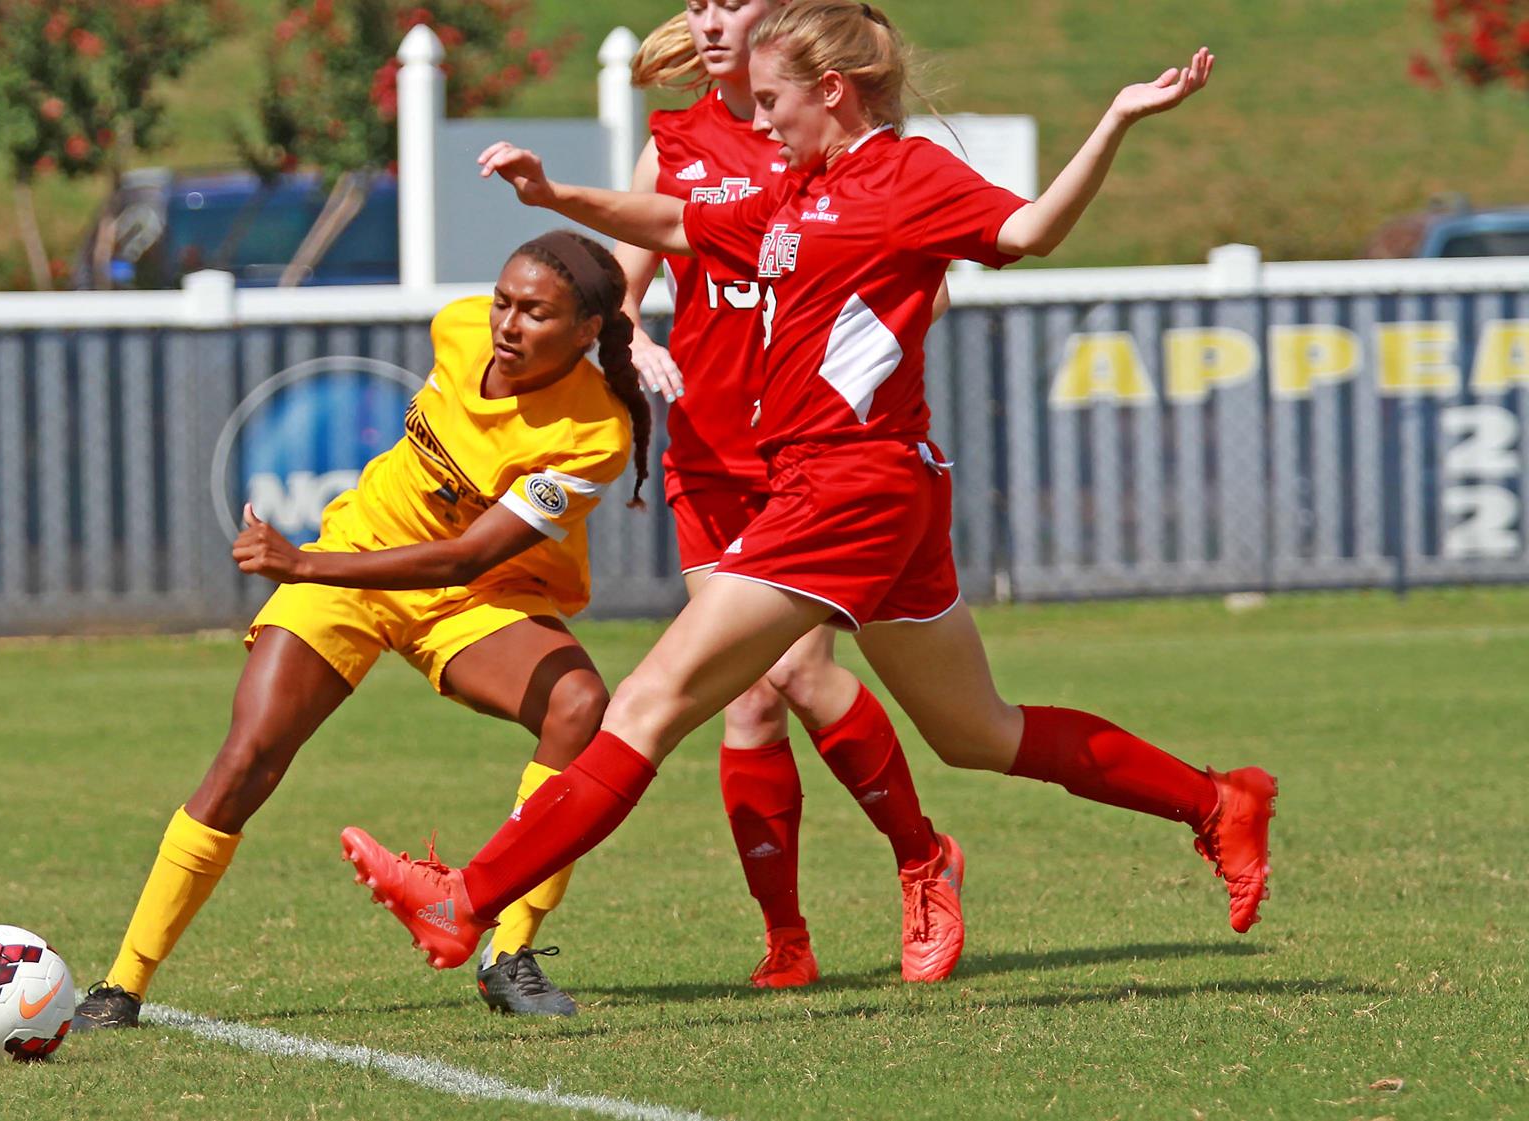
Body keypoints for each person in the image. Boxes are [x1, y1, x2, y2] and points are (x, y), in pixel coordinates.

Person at [339, 2, 1275, 979]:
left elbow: (1029, 229)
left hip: (846, 485)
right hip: (876, 484)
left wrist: (1114, 119)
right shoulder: (794, 187)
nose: (764, 117)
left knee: (652, 701)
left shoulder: (905, 175)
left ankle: (463, 901)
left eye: (777, 97)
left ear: (831, 91)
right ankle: (1217, 802)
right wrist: (553, 193)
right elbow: (670, 220)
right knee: (973, 731)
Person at [72, 230, 647, 1025]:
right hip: (360, 553)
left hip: (464, 587)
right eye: (504, 302)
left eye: (536, 313)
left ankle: (506, 950)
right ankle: (122, 982)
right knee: (247, 758)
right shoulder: (457, 328)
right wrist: (319, 566)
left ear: (587, 329)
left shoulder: (594, 435)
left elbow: (464, 557)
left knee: (579, 705)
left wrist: (302, 564)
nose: (508, 325)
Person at [617, 0, 963, 988]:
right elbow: (622, 279)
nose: (710, 19)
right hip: (707, 457)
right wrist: (632, 337)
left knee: (793, 676)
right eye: (698, 4)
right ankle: (787, 938)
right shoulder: (677, 142)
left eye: (732, 3)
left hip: (806, 460)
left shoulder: (822, 137)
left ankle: (920, 856)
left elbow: (921, 277)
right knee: (746, 704)